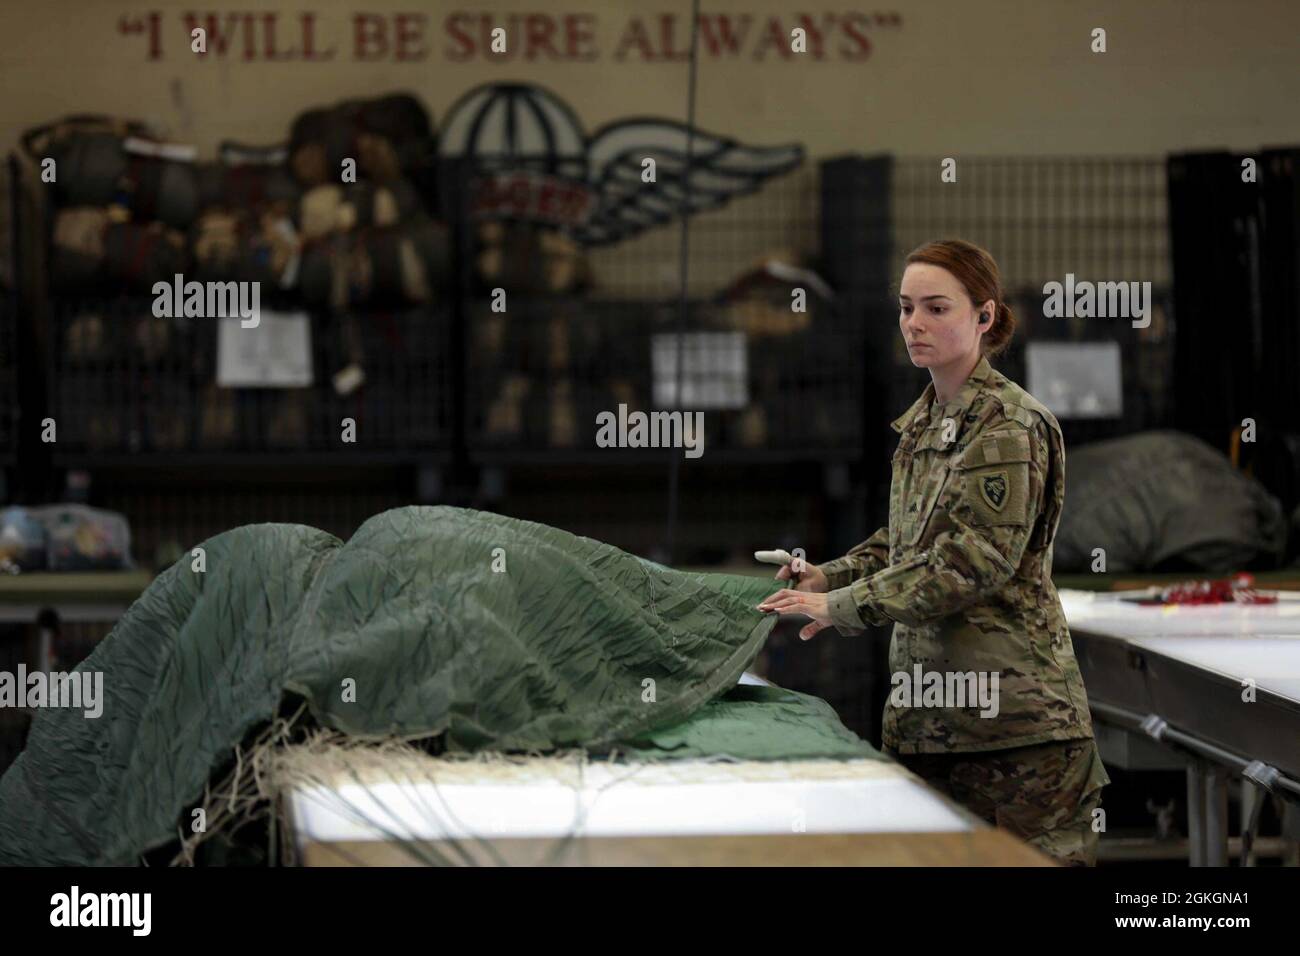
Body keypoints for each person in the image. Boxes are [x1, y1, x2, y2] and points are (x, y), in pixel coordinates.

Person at [757, 238, 1110, 866]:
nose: (913, 323)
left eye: (936, 308)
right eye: (905, 307)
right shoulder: (923, 425)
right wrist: (824, 577)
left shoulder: (1006, 427)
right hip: (932, 721)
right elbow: (904, 543)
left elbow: (970, 562)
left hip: (1014, 731)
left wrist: (845, 605)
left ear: (985, 317)